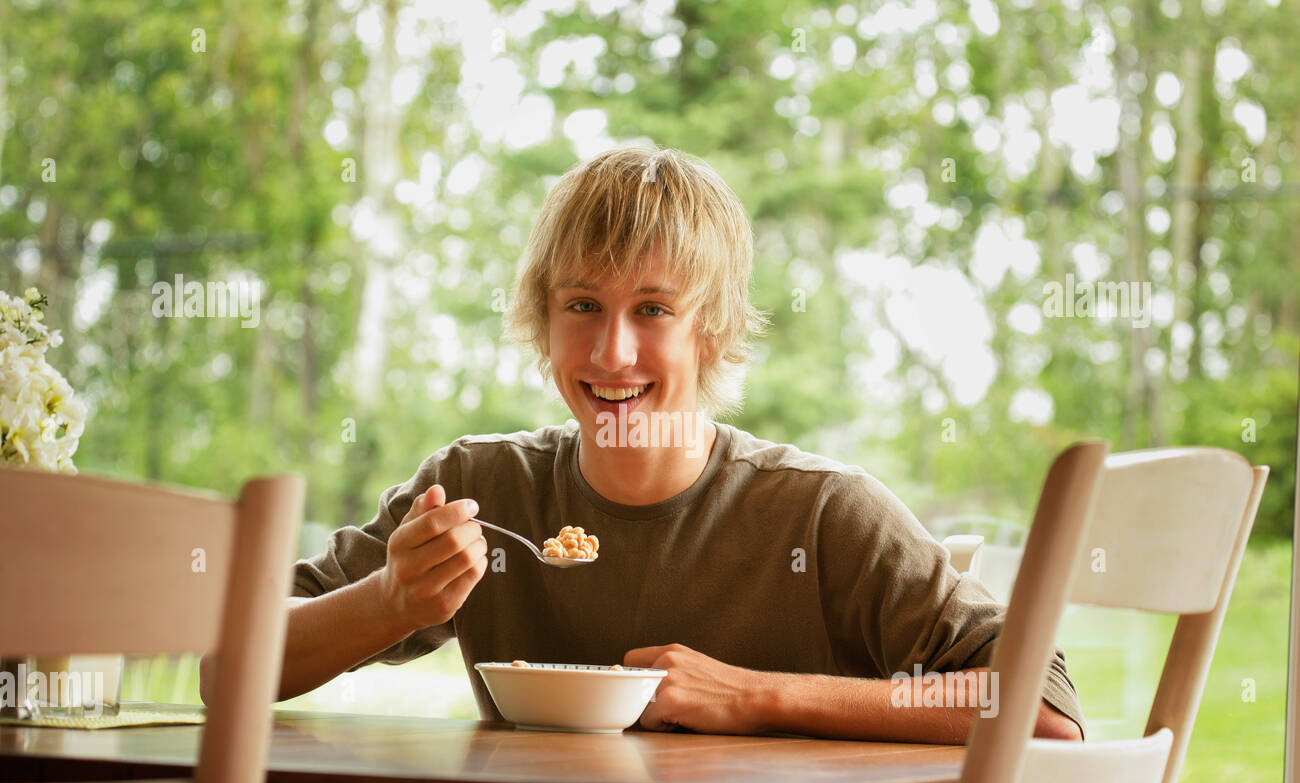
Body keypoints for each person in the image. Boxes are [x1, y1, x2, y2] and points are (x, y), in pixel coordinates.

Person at [223, 145, 1084, 743]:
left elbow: (1042, 708)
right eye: (583, 305)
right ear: (544, 317)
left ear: (710, 332)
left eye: (655, 310)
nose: (611, 354)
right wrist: (389, 602)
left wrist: (754, 697)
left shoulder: (820, 513)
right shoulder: (481, 489)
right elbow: (230, 666)